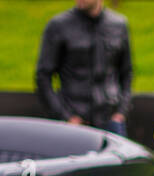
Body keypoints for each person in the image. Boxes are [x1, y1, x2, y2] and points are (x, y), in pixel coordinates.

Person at [34, 0, 133, 135]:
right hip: (74, 123)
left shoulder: (119, 24)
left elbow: (126, 72)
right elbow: (43, 76)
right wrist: (65, 116)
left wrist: (121, 112)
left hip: (111, 122)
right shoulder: (58, 25)